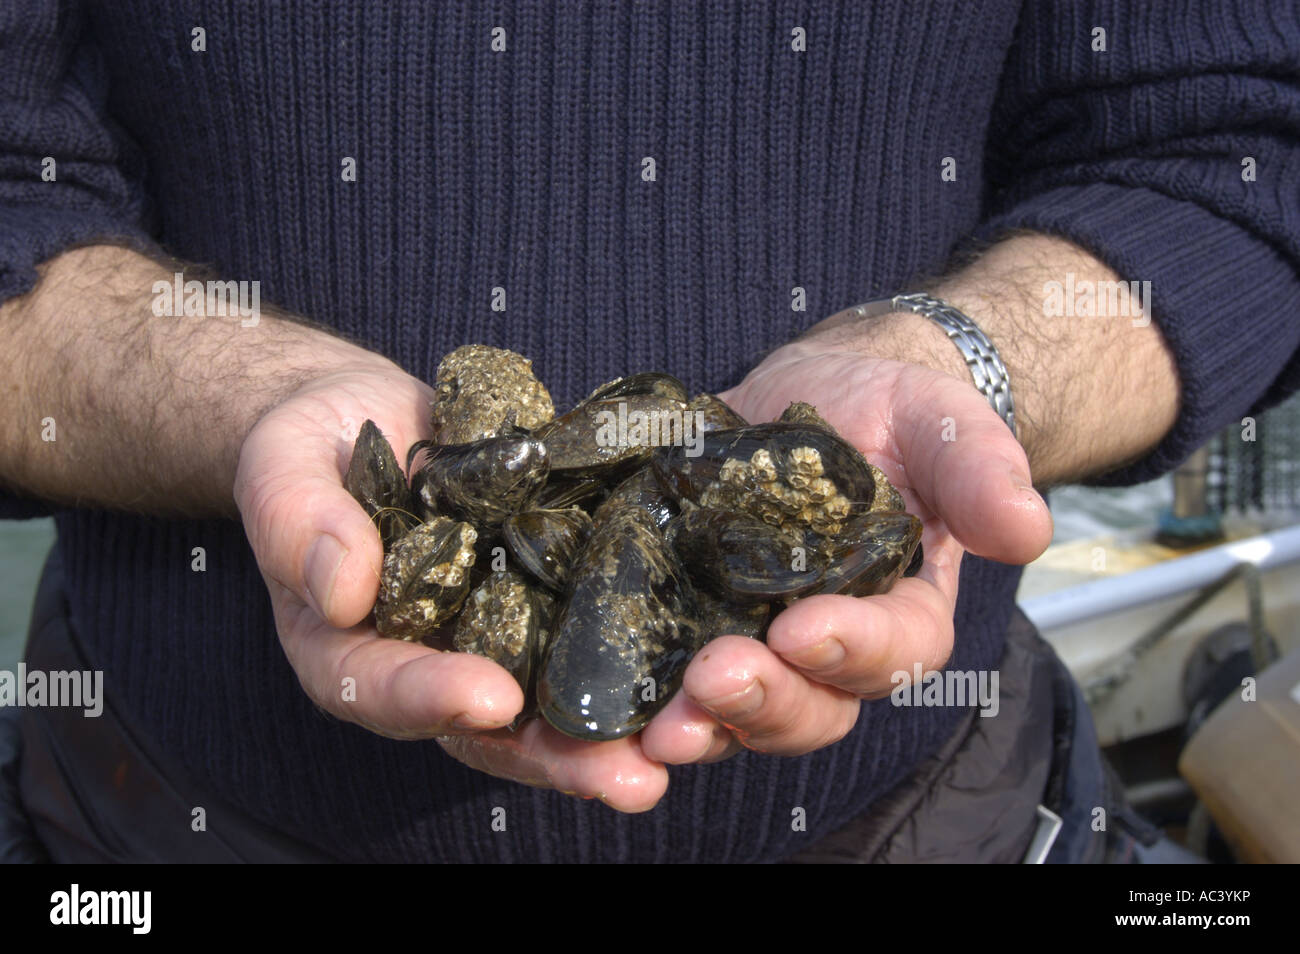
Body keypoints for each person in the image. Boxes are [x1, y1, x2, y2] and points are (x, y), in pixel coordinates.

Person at [1, 1, 1296, 863]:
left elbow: (1239, 146)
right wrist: (245, 395)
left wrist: (961, 364)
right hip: (142, 827)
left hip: (950, 814)